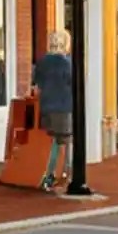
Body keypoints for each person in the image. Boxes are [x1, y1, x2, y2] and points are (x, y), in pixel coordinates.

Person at [33, 30, 74, 192]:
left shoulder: (42, 62)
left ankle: (49, 175)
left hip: (46, 106)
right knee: (68, 141)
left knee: (55, 142)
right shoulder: (67, 63)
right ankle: (67, 174)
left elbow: (37, 84)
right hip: (64, 106)